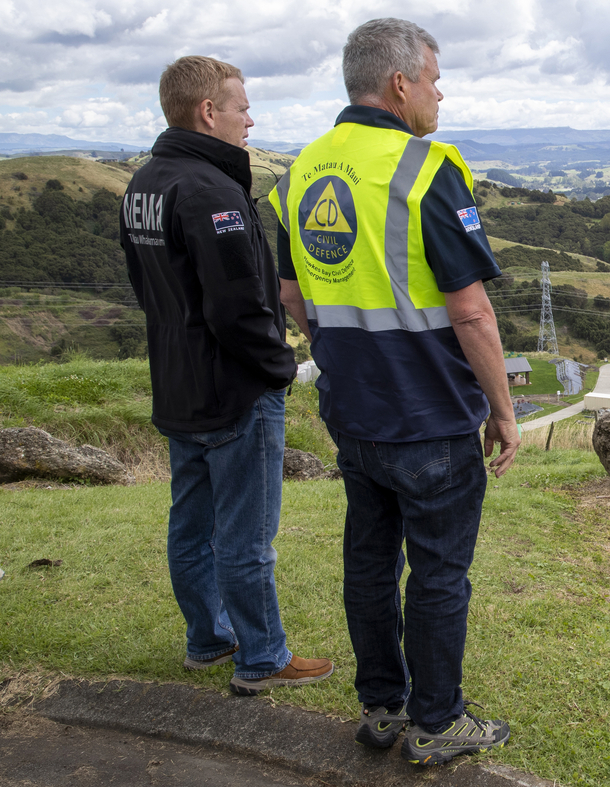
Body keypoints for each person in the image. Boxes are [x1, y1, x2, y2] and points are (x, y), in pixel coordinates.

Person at [274, 18, 520, 766]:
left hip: (354, 414)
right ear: (401, 83)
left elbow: (291, 293)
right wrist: (503, 410)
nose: (440, 96)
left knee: (371, 562)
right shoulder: (425, 168)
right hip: (432, 415)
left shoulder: (300, 173)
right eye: (436, 81)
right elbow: (471, 308)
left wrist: (339, 350)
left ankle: (382, 707)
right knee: (440, 570)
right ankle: (438, 719)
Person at [121, 55, 334, 696]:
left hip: (178, 383)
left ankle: (208, 639)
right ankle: (263, 657)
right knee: (246, 536)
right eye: (242, 106)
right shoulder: (213, 192)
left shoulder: (144, 184)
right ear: (209, 111)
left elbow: (151, 290)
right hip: (234, 391)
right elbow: (238, 305)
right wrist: (277, 369)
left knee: (191, 524)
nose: (251, 118)